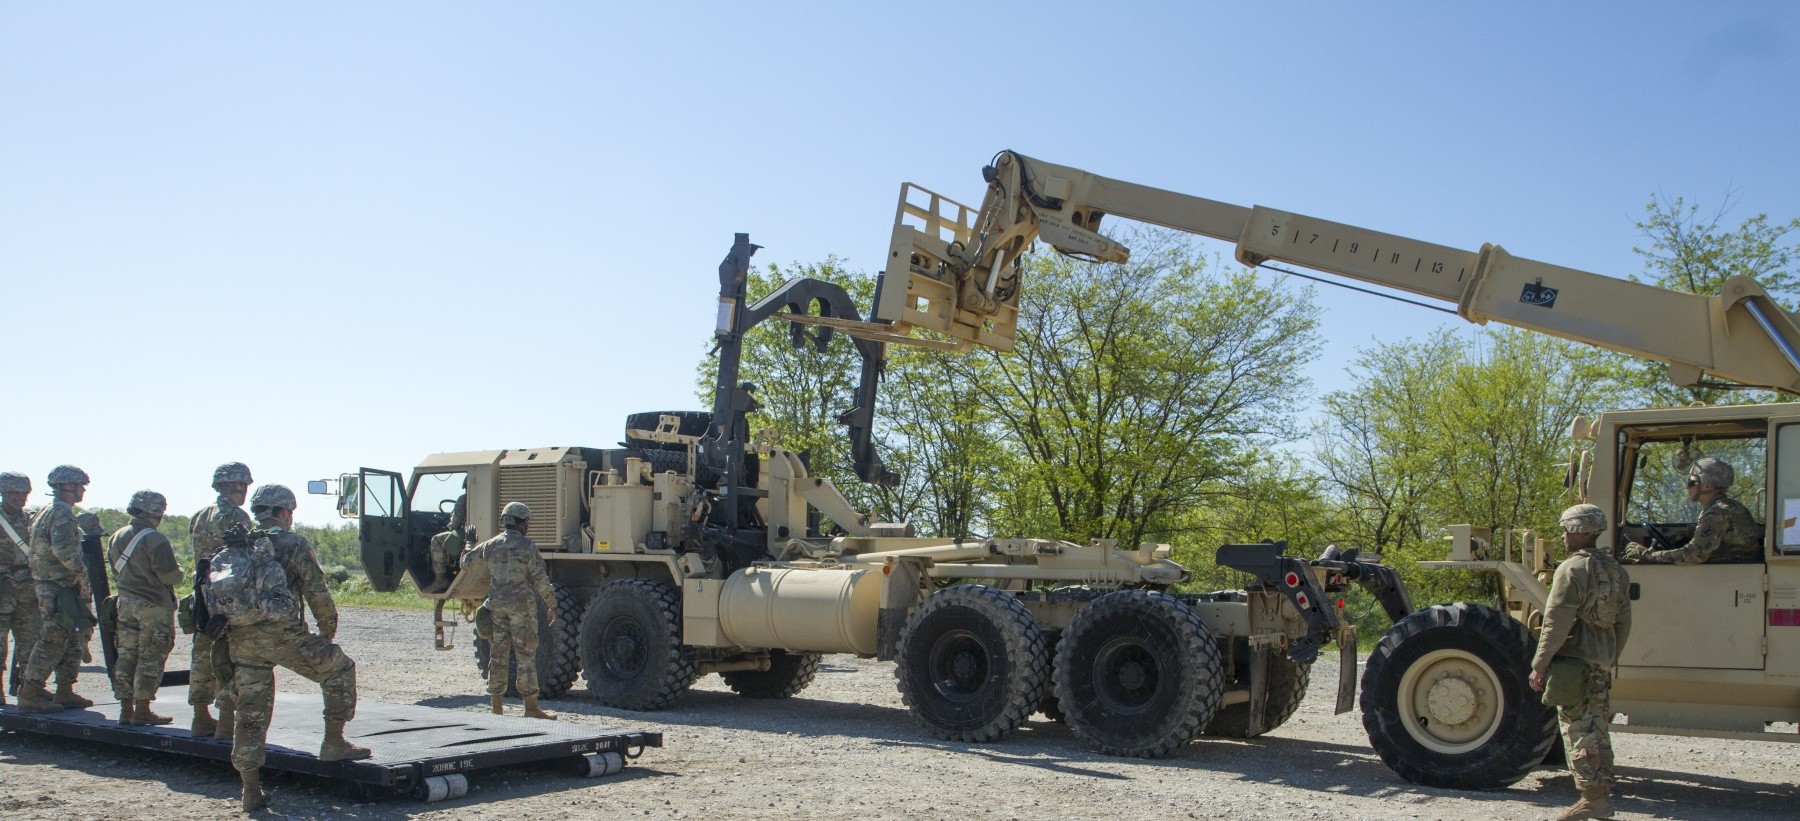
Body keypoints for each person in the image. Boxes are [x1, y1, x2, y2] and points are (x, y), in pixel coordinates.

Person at [221, 484, 370, 812]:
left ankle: (250, 789)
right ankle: (334, 742)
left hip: (243, 641)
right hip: (285, 637)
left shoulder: (238, 543)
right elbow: (317, 592)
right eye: (290, 512)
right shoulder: (293, 543)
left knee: (250, 713)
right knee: (339, 668)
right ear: (283, 512)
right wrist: (327, 631)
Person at [1530, 503, 1633, 821]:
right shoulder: (1616, 571)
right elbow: (1623, 623)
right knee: (1598, 730)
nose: (1563, 535)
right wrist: (1609, 657)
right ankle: (1600, 797)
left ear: (1578, 531)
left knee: (1578, 731)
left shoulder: (1572, 569)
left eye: (1566, 529)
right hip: (1600, 663)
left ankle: (1593, 800)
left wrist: (1540, 664)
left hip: (1574, 664)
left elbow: (1555, 623)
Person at [17, 464, 104, 713]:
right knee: (53, 638)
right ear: (68, 486)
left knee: (73, 636)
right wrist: (81, 574)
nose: (82, 491)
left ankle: (65, 690)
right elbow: (64, 550)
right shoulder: (60, 513)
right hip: (58, 585)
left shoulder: (49, 511)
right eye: (80, 486)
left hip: (58, 584)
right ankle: (30, 692)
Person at [459, 501, 558, 719]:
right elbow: (541, 580)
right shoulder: (527, 547)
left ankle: (496, 707)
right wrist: (552, 604)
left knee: (497, 656)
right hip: (522, 611)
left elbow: (466, 563)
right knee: (526, 656)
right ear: (522, 523)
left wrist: (469, 542)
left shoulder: (490, 545)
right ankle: (531, 707)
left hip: (497, 609)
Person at [186, 461, 254, 737]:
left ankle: (200, 717)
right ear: (238, 486)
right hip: (226, 596)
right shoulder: (237, 516)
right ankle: (226, 721)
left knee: (202, 652)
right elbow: (245, 557)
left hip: (202, 591)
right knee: (229, 655)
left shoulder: (200, 515)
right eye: (244, 485)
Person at [108, 490, 182, 726]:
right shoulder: (156, 539)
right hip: (153, 605)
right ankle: (142, 709)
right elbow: (169, 576)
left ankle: (125, 709)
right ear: (156, 511)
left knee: (126, 655)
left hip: (125, 603)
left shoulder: (117, 536)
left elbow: (114, 568)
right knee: (151, 655)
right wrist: (181, 573)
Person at [1622, 457, 1761, 565]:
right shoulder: (1729, 506)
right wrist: (1683, 533)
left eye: (1691, 483)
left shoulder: (1716, 513)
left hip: (1729, 574)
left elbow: (1694, 554)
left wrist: (1647, 556)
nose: (1687, 488)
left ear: (1706, 486)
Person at [0, 471, 39, 707]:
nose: (20, 498)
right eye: (15, 493)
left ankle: (29, 691)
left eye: (24, 493)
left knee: (30, 642)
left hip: (27, 590)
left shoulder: (31, 520)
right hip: (2, 588)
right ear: (4, 492)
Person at [424, 489, 468, 594]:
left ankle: (440, 579)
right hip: (475, 534)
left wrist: (450, 525)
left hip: (467, 535)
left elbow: (455, 524)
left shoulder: (463, 499)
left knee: (436, 540)